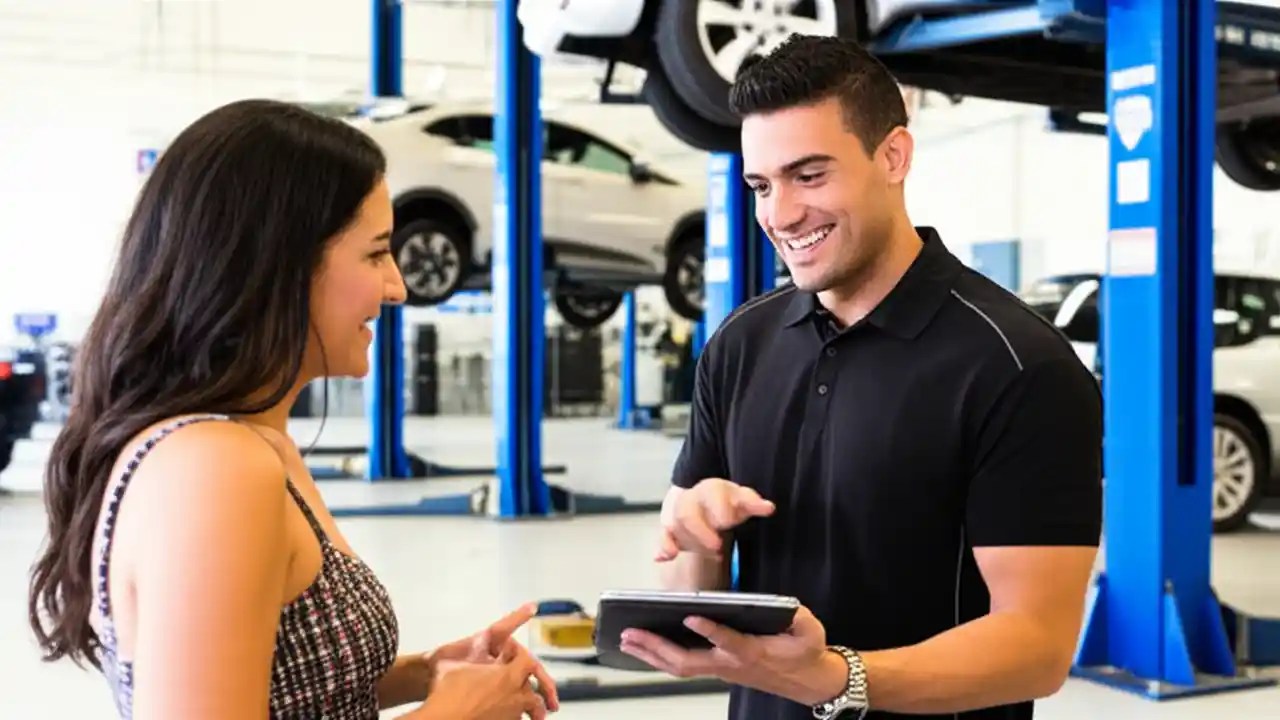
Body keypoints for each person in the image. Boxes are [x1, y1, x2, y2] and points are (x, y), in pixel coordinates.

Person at [26, 99, 559, 720]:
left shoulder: (254, 444)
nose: (397, 286)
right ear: (280, 264)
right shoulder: (214, 467)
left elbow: (276, 681)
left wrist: (427, 672)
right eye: (375, 253)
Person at [621, 35, 1103, 720]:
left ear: (894, 156)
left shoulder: (1017, 367)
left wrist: (832, 677)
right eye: (762, 185)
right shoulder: (739, 344)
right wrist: (696, 539)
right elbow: (685, 592)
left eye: (810, 176)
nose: (781, 215)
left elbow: (1037, 646)